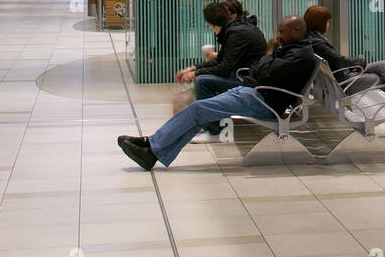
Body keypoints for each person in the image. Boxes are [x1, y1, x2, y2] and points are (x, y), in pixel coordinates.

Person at [117, 15, 317, 170]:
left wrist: (269, 52)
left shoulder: (299, 56)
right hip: (253, 92)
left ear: (297, 30)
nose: (277, 35)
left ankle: (152, 147)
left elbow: (264, 73)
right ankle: (153, 149)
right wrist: (268, 58)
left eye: (282, 31)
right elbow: (258, 70)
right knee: (200, 111)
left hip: (263, 101)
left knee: (198, 108)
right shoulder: (290, 49)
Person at [302, 5, 385, 138]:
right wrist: (360, 62)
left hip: (336, 78)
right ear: (320, 23)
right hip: (344, 83)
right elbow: (339, 61)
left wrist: (356, 64)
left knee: (384, 66)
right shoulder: (317, 42)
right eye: (327, 21)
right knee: (384, 81)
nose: (328, 24)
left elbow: (337, 61)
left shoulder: (309, 38)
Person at [174, 0, 267, 138]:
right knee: (201, 79)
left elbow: (223, 68)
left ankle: (213, 131)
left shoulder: (237, 33)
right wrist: (192, 69)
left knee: (202, 81)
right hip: (245, 75)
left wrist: (196, 73)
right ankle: (206, 124)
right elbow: (220, 60)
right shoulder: (236, 29)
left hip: (248, 80)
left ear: (212, 25)